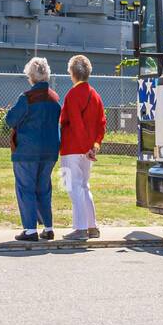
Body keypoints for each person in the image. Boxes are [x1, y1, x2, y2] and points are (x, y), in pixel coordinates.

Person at [5, 57, 60, 242]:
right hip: (50, 151)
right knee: (44, 188)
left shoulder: (27, 98)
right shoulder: (55, 98)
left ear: (31, 76)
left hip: (27, 151)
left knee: (25, 188)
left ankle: (30, 230)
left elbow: (11, 120)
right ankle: (48, 227)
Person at [59, 54, 106, 241]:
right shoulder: (95, 95)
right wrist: (94, 145)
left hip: (72, 147)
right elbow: (102, 123)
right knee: (85, 186)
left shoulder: (72, 94)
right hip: (88, 151)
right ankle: (92, 226)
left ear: (72, 73)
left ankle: (79, 228)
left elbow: (75, 123)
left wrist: (86, 145)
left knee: (72, 187)